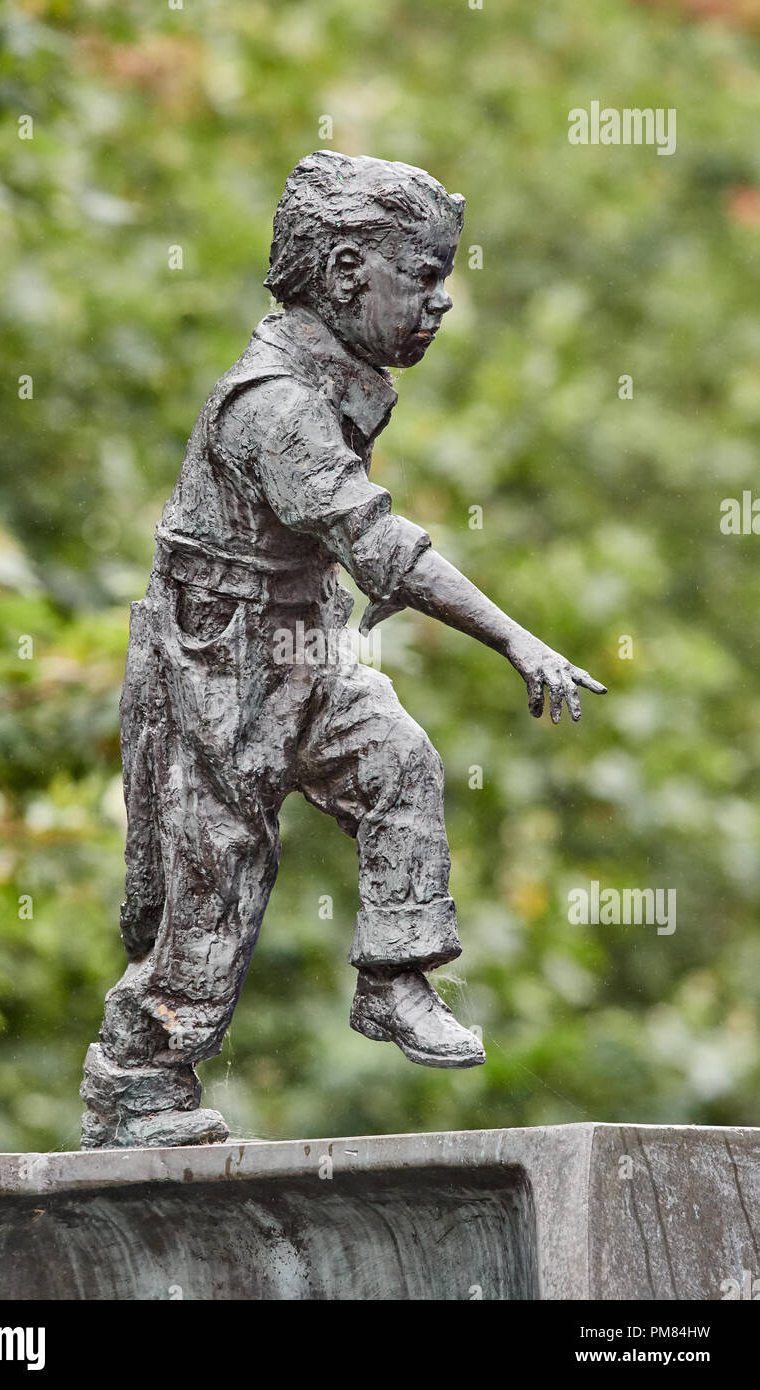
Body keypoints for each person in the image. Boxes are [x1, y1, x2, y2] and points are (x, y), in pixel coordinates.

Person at [81, 151, 606, 1148]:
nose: (442, 302)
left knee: (398, 763)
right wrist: (512, 636)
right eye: (424, 276)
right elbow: (382, 546)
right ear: (348, 271)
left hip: (296, 641)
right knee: (213, 879)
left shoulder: (337, 375)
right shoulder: (273, 406)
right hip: (217, 666)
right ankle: (134, 1082)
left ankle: (392, 978)